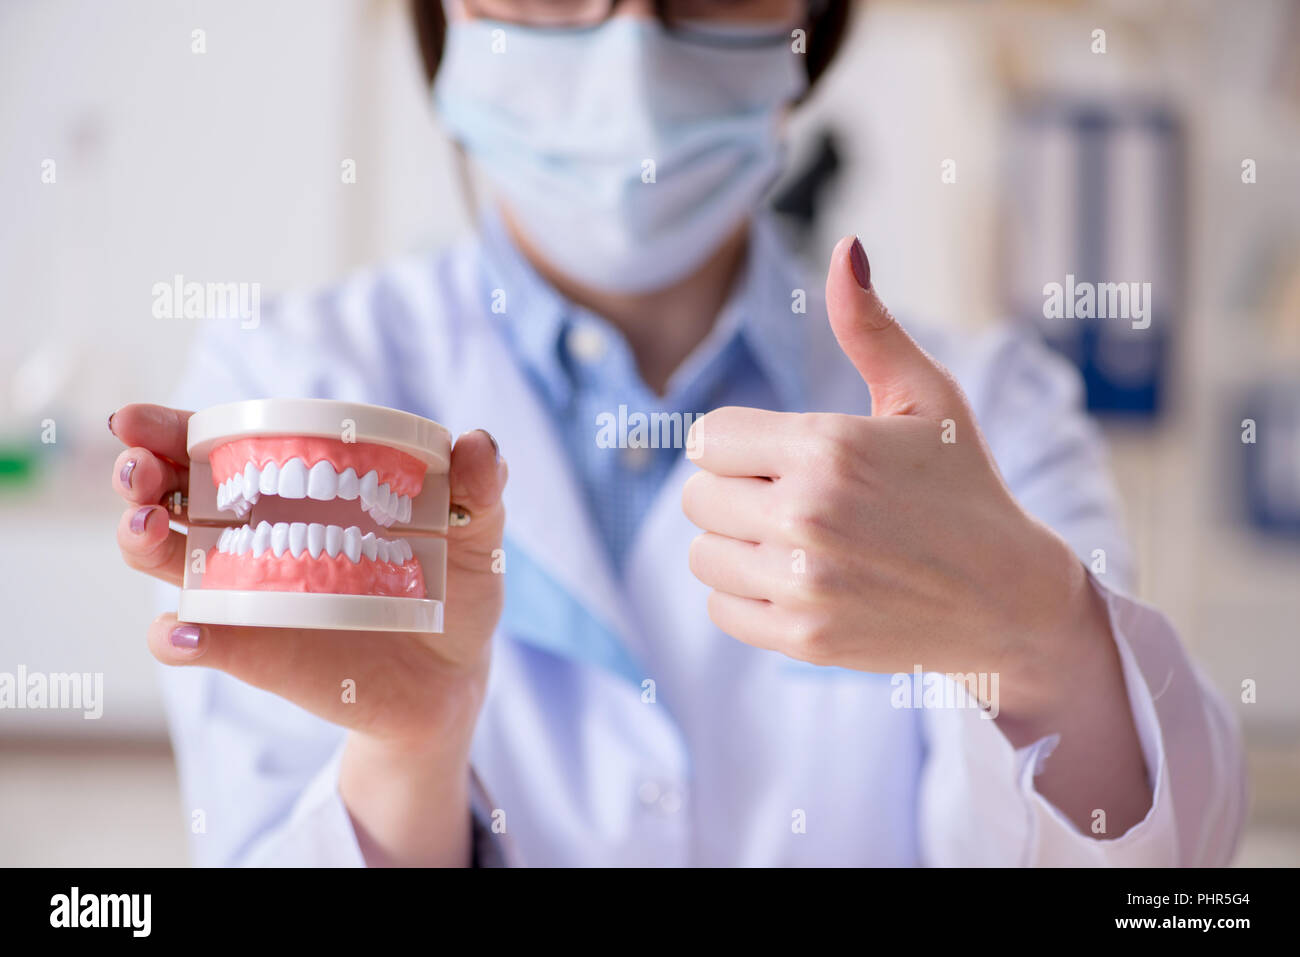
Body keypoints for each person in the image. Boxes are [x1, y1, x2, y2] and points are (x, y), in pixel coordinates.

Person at [107, 0, 1244, 866]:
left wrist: (1039, 638)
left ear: (814, 26)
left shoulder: (994, 411)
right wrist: (406, 755)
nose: (632, 53)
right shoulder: (290, 389)